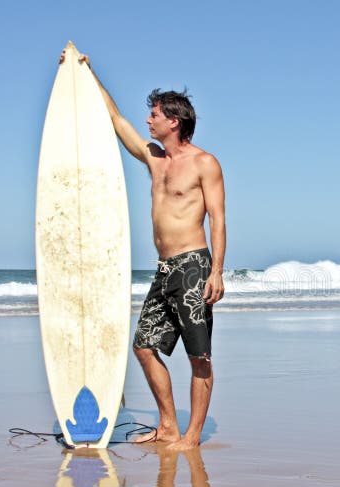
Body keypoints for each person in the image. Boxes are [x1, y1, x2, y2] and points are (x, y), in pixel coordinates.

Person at [59, 49, 226, 451]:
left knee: (198, 356)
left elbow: (218, 219)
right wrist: (87, 73)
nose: (147, 120)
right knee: (144, 345)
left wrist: (216, 270)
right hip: (165, 268)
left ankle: (191, 437)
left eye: (154, 114)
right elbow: (116, 121)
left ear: (174, 120)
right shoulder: (154, 159)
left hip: (192, 267)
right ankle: (168, 426)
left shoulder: (205, 163)